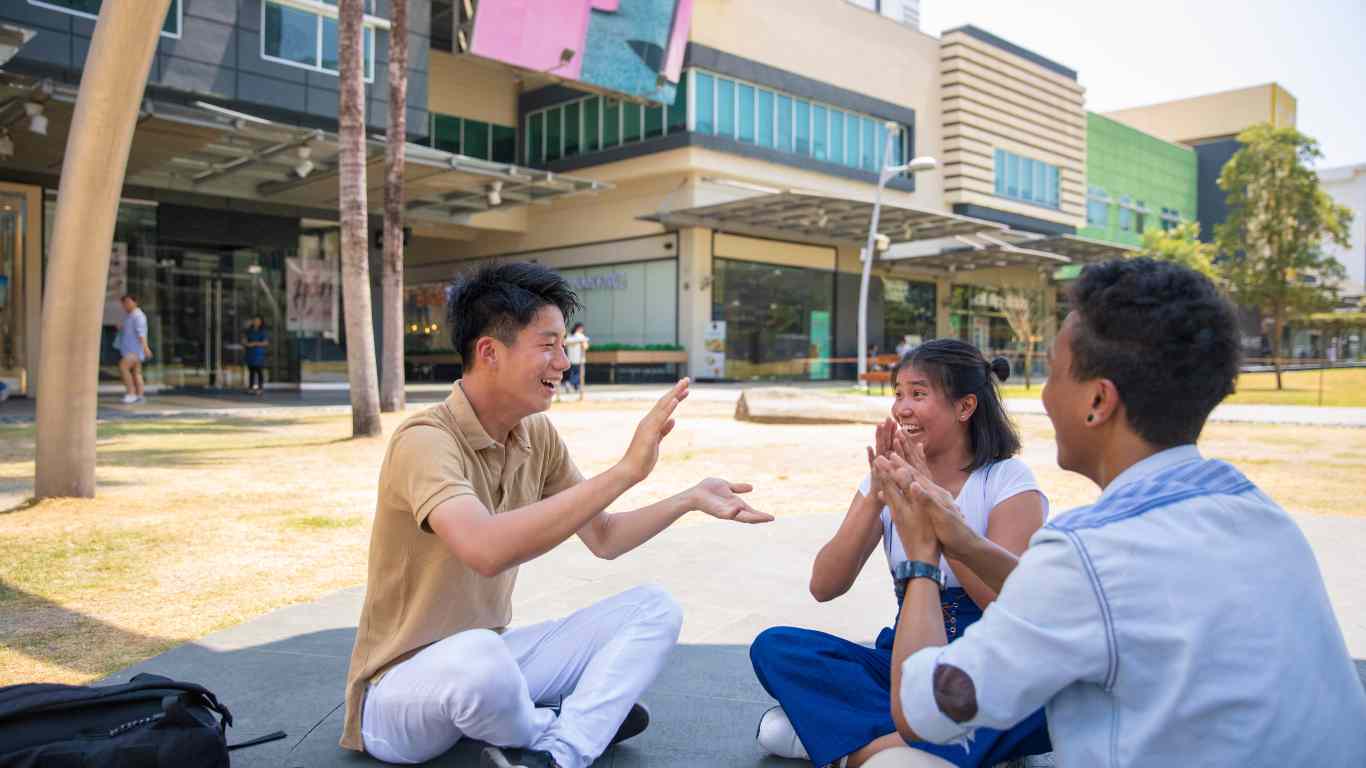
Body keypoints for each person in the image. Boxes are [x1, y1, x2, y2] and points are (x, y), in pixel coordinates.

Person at [883, 258, 1366, 766]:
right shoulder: (1263, 516)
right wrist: (962, 538)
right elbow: (1066, 595)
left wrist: (922, 555)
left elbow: (921, 711)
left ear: (1097, 400)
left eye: (1053, 373)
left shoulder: (1089, 552)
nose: (1044, 396)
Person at [341, 262, 773, 768]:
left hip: (493, 661)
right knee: (481, 662)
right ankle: (561, 724)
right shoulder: (424, 441)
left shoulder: (535, 436)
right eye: (548, 345)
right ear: (489, 353)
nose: (563, 362)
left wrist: (688, 498)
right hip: (396, 696)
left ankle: (557, 754)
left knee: (654, 609)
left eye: (562, 345)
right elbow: (484, 550)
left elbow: (605, 536)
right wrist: (626, 472)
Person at [749, 340, 1051, 768]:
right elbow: (824, 585)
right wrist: (876, 493)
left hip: (986, 666)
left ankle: (846, 747)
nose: (902, 409)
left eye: (918, 394)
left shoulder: (1007, 480)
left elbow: (1004, 602)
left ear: (965, 407)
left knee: (1047, 700)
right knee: (776, 648)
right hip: (906, 663)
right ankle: (932, 749)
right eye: (898, 394)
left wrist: (937, 513)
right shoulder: (884, 478)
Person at [114, 294, 151, 404]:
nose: (126, 305)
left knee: (123, 367)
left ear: (135, 302)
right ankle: (140, 395)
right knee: (136, 373)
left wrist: (145, 348)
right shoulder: (129, 315)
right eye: (124, 303)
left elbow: (141, 333)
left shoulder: (138, 316)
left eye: (128, 302)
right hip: (130, 349)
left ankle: (131, 393)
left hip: (135, 350)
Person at [243, 316, 269, 396]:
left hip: (259, 354)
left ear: (261, 322)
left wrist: (255, 343)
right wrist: (247, 344)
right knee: (251, 371)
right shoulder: (248, 331)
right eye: (254, 320)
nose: (256, 322)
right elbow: (244, 341)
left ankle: (260, 388)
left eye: (258, 321)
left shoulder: (263, 331)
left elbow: (266, 343)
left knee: (259, 371)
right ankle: (251, 388)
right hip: (250, 353)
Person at [564, 322, 589, 394]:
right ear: (579, 328)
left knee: (573, 373)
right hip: (579, 359)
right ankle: (570, 383)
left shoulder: (570, 336)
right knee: (580, 374)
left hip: (571, 359)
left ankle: (575, 387)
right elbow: (585, 347)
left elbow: (565, 344)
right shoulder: (581, 336)